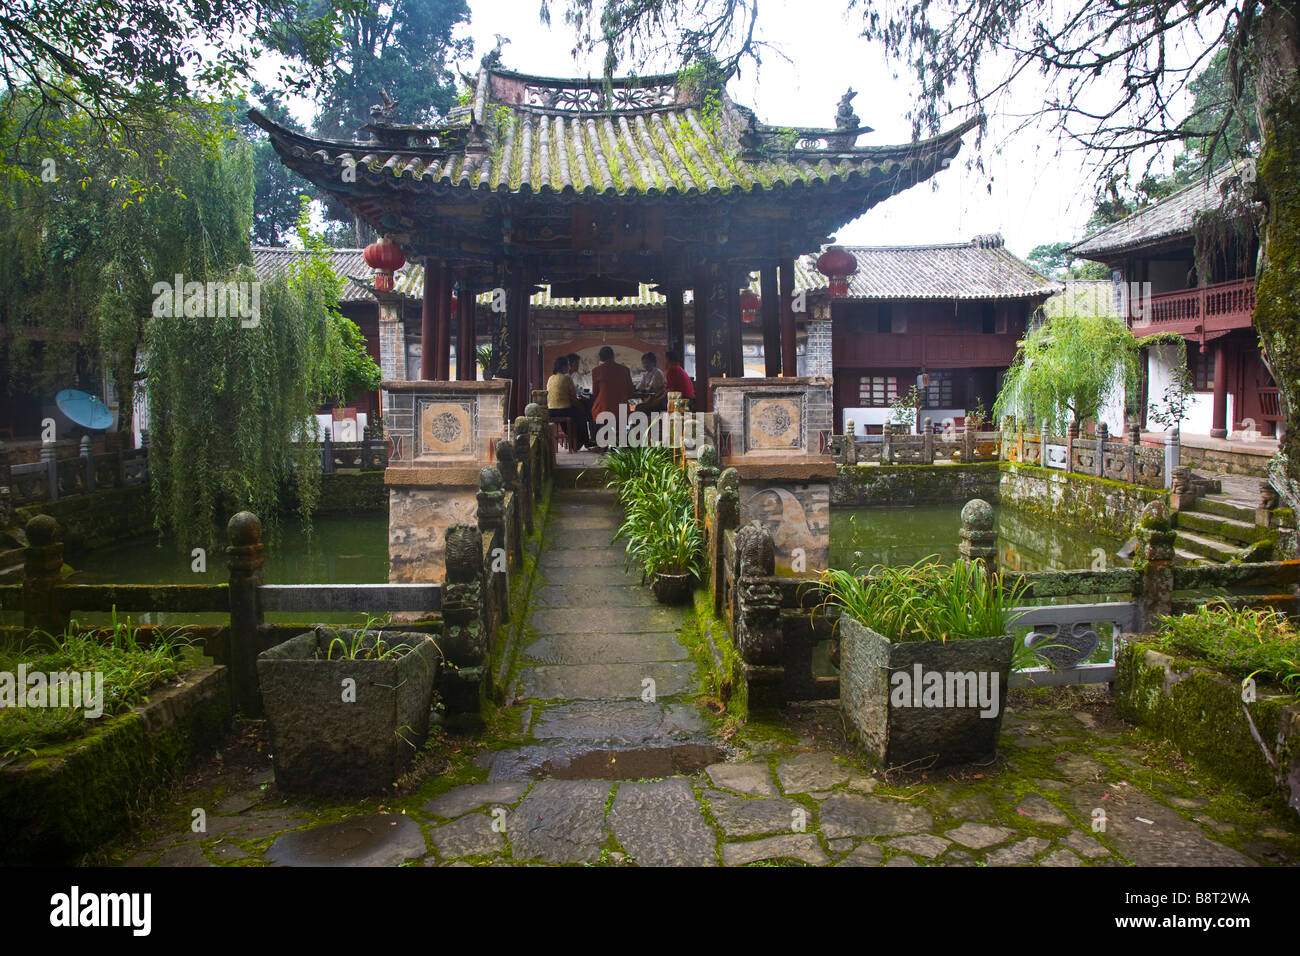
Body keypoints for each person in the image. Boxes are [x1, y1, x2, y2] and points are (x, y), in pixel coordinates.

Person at [590, 345, 635, 443]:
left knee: (592, 410)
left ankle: (599, 442)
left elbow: (595, 393)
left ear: (601, 358)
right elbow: (630, 391)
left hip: (603, 409)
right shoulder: (624, 370)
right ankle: (622, 442)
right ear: (613, 356)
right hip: (621, 409)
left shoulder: (596, 371)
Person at [546, 355, 593, 448]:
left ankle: (576, 441)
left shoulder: (550, 378)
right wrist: (580, 405)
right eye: (568, 365)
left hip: (551, 411)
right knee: (582, 413)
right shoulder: (567, 378)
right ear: (563, 367)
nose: (569, 367)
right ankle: (583, 441)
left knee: (577, 413)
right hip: (563, 410)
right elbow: (573, 399)